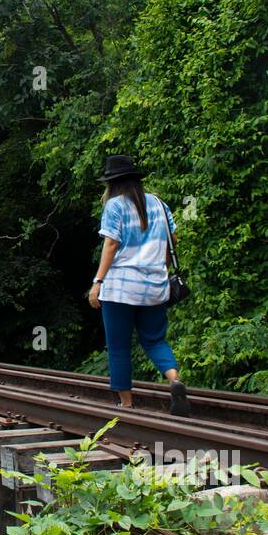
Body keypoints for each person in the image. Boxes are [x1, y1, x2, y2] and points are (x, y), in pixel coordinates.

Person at [86, 154, 190, 416]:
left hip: (120, 288)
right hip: (155, 287)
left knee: (119, 346)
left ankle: (127, 403)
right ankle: (174, 379)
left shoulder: (115, 206)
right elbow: (172, 239)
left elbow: (111, 244)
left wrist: (97, 282)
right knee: (155, 340)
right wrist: (161, 268)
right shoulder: (158, 203)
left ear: (113, 183)